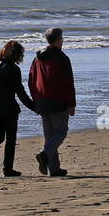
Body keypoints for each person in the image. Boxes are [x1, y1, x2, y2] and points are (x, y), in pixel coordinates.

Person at [0, 40, 40, 177]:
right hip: (9, 108)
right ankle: (7, 169)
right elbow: (20, 92)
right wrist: (33, 106)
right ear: (16, 54)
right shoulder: (14, 69)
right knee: (10, 139)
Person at [28, 27, 76, 177]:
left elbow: (31, 81)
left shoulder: (37, 58)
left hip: (42, 100)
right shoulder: (62, 58)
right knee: (60, 132)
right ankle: (44, 154)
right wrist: (71, 103)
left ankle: (54, 169)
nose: (63, 41)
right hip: (57, 100)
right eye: (62, 38)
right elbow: (68, 82)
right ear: (58, 40)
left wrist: (35, 99)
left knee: (50, 137)